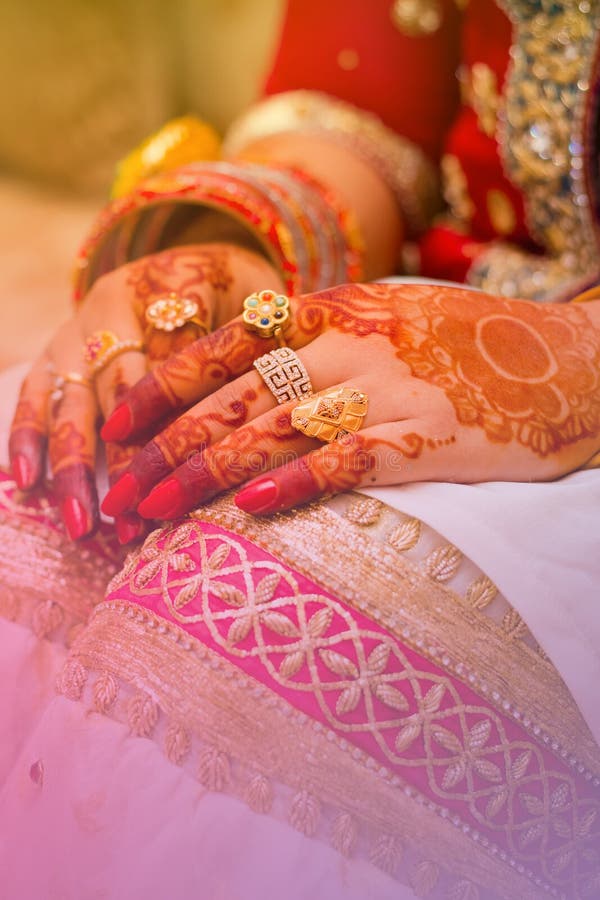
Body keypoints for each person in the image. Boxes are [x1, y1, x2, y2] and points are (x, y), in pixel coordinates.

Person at [0, 2, 599, 898]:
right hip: (435, 327)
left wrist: (569, 359)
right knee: (43, 498)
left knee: (243, 626)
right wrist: (231, 252)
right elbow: (359, 117)